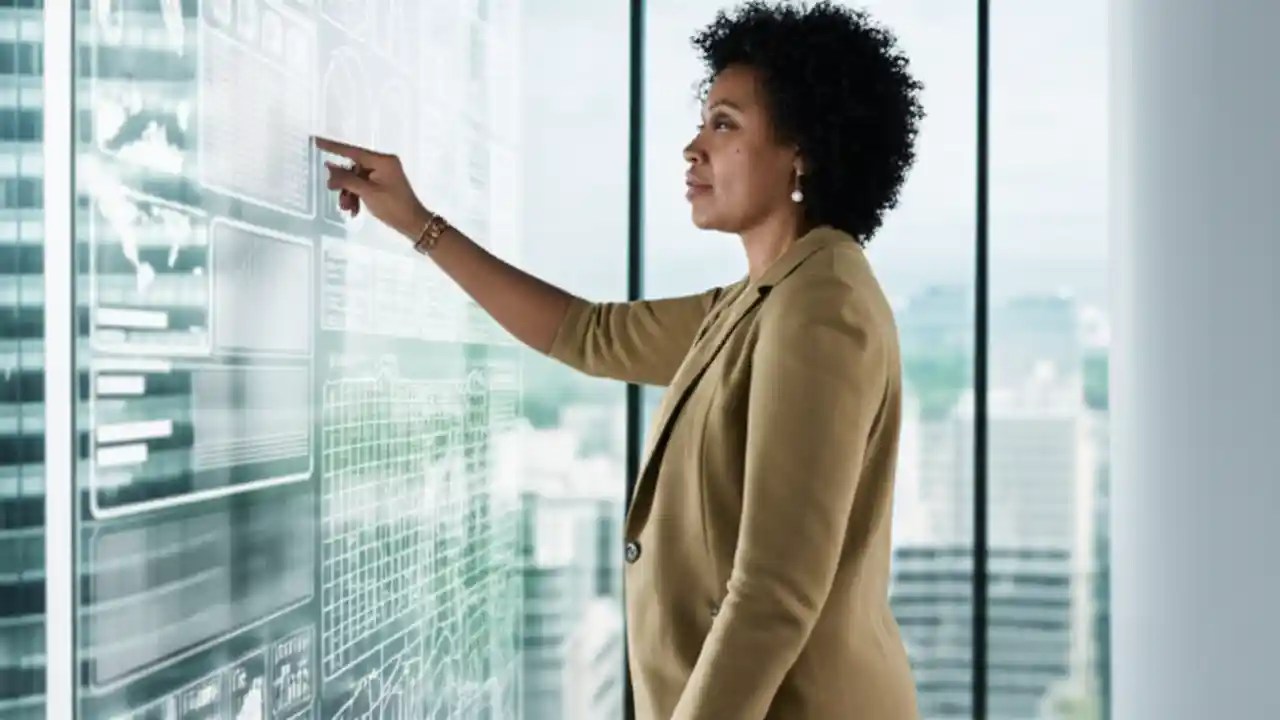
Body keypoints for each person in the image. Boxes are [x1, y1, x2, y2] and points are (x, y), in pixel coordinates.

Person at [316, 2, 924, 717]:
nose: (692, 148)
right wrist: (418, 223)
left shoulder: (820, 307)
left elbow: (774, 591)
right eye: (701, 122)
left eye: (724, 124)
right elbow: (589, 334)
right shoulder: (763, 299)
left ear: (803, 152)